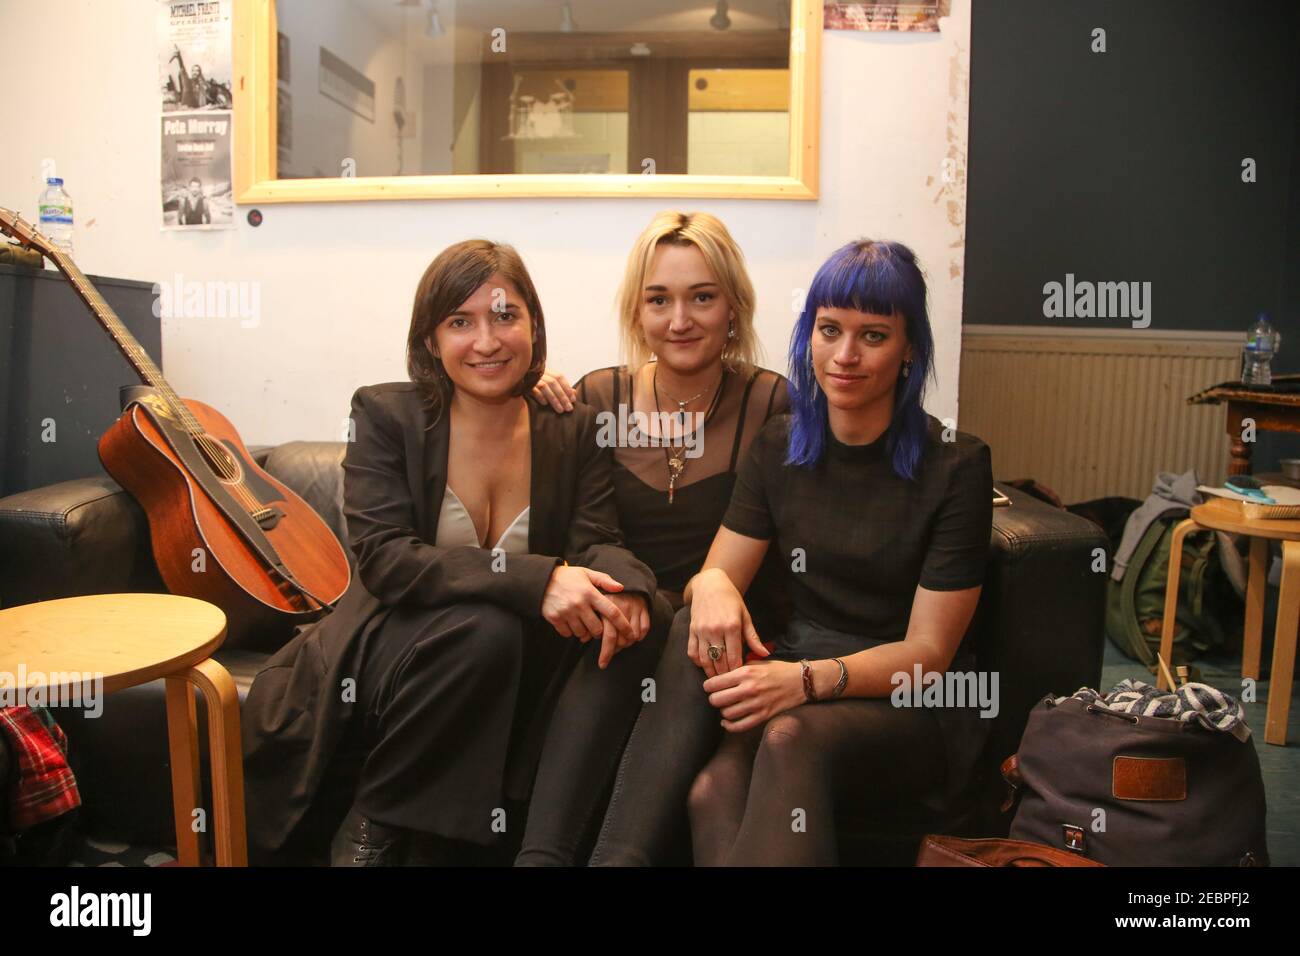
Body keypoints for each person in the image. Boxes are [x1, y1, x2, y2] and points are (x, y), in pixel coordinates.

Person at [241, 239, 666, 867]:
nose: (486, 341)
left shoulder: (569, 427)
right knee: (488, 629)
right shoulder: (386, 414)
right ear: (430, 339)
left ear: (533, 326)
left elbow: (597, 539)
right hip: (388, 645)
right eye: (460, 322)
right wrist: (538, 581)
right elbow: (386, 558)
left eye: (505, 316)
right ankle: (371, 838)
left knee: (616, 622)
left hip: (499, 666)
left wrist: (629, 589)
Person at [594, 238, 994, 866]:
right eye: (829, 330)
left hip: (909, 699)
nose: (845, 355)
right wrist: (714, 585)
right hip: (793, 672)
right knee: (709, 791)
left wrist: (806, 680)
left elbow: (929, 654)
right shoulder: (780, 446)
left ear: (910, 347)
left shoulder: (957, 465)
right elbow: (717, 574)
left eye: (873, 336)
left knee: (788, 736)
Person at [528, 211, 790, 863]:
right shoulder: (596, 398)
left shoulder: (772, 405)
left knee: (682, 626)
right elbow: (564, 525)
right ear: (636, 312)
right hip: (620, 626)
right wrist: (520, 390)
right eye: (658, 300)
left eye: (702, 297)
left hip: (721, 634)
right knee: (632, 619)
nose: (679, 320)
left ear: (734, 306)